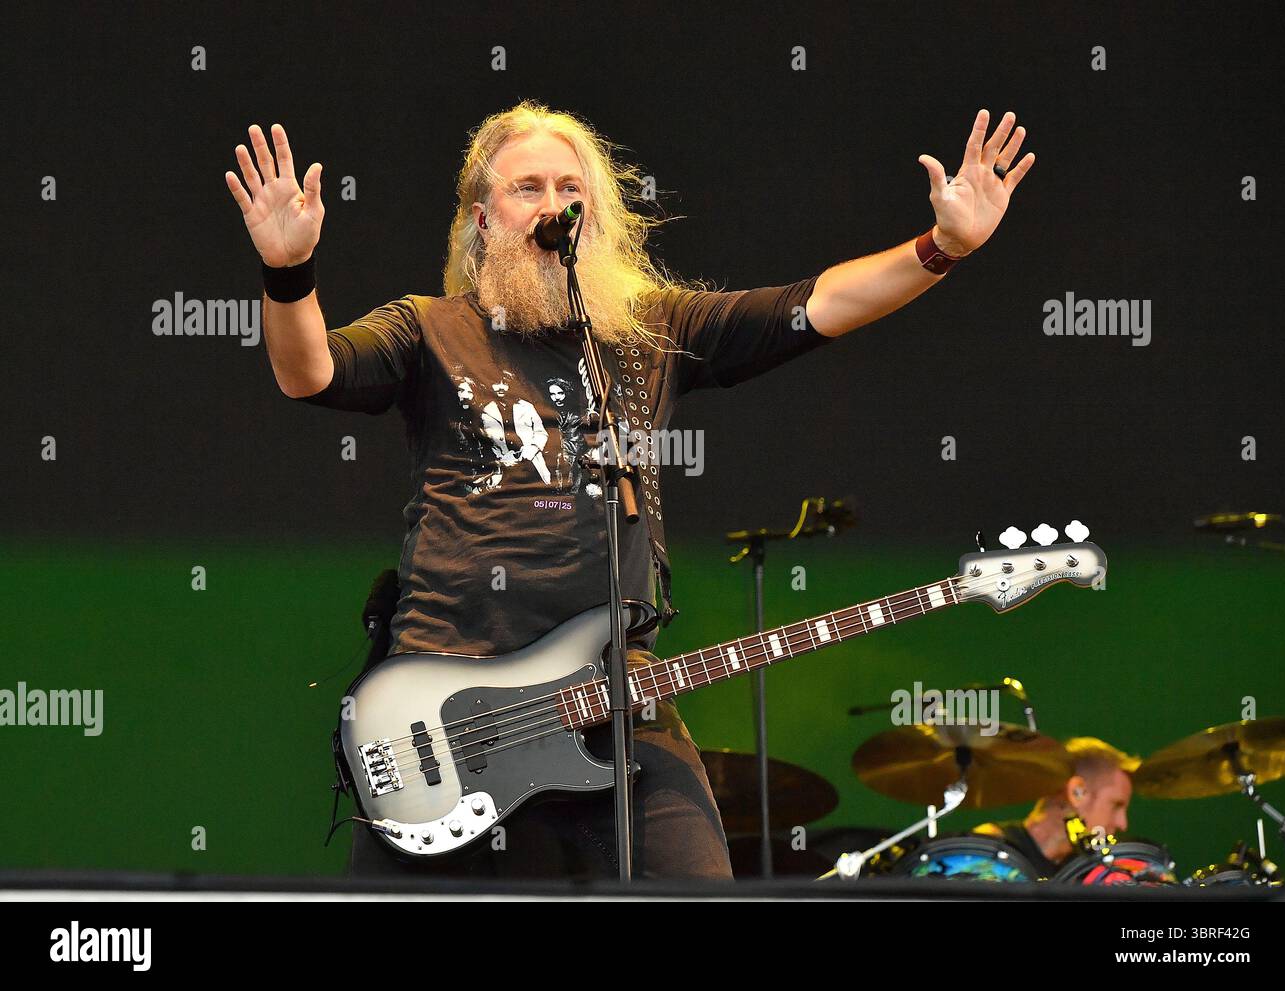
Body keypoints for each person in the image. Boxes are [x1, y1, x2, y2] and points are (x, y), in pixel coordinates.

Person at [223, 100, 1034, 880]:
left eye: (571, 189)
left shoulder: (649, 332)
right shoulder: (429, 328)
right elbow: (310, 372)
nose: (553, 204)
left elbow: (811, 307)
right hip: (450, 702)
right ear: (482, 218)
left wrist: (942, 246)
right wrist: (288, 269)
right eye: (527, 187)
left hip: (617, 694)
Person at [973, 737, 1140, 878]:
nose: (1122, 823)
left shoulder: (1092, 872)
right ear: (1077, 792)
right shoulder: (992, 848)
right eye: (1116, 805)